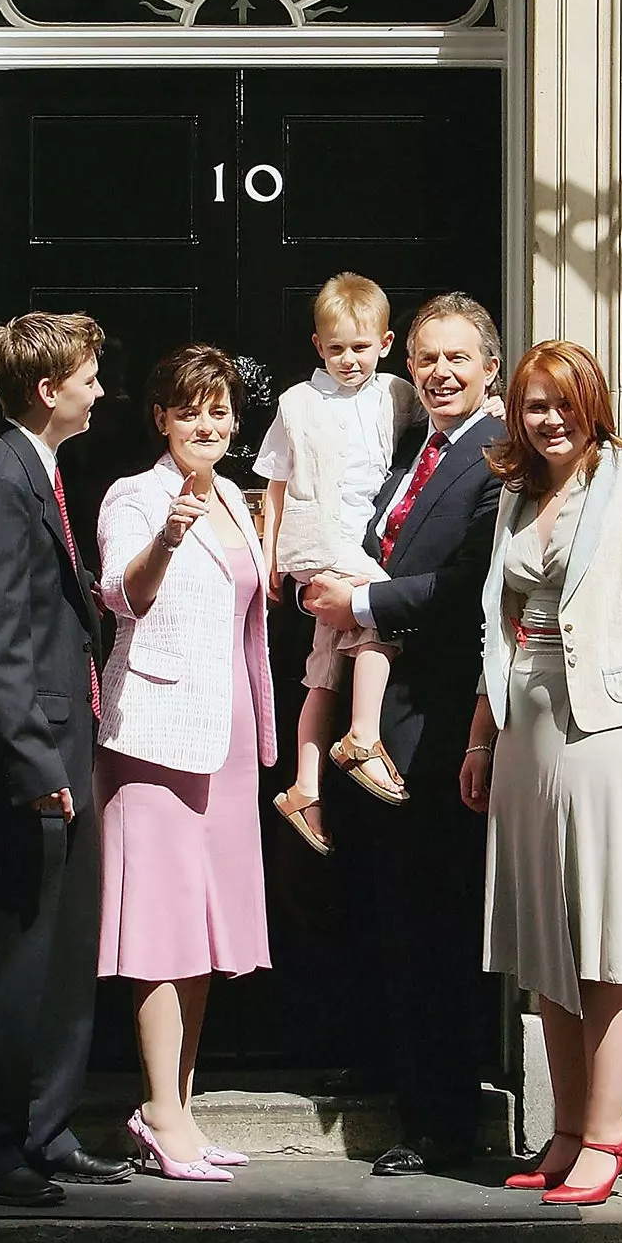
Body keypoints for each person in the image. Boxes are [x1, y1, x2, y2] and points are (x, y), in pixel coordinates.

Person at [462, 341, 622, 1206]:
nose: (548, 419)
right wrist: (480, 739)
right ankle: (570, 1126)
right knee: (548, 942)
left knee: (609, 935)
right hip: (525, 727)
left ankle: (611, 1131)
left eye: (563, 402)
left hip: (609, 728)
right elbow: (498, 632)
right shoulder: (514, 496)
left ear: (593, 403)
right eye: (534, 405)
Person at [302, 292, 505, 1176]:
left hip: (437, 716)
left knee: (435, 922)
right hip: (386, 720)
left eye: (458, 358)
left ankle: (443, 1122)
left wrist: (366, 603)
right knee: (393, 911)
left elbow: (468, 587)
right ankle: (402, 1078)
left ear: (491, 367)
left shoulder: (494, 460)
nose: (441, 373)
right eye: (426, 359)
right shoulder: (420, 449)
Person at [0, 312, 131, 1206]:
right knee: (6, 960)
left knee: (58, 958)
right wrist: (33, 764)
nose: (100, 390)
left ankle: (44, 1131)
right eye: (89, 377)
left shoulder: (39, 468)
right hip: (29, 766)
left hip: (64, 747)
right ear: (49, 390)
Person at [95, 345, 276, 1182]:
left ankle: (181, 1112)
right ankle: (160, 1112)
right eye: (190, 411)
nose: (207, 425)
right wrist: (166, 539)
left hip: (230, 740)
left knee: (204, 936)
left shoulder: (239, 501)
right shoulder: (135, 497)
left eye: (220, 411)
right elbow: (122, 597)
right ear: (161, 419)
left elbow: (251, 615)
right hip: (158, 737)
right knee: (163, 935)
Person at [255, 272, 423, 853]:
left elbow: (436, 428)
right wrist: (268, 559)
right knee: (381, 612)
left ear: (385, 341)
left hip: (364, 539)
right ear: (317, 348)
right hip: (322, 543)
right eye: (335, 349)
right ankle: (362, 735)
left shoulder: (397, 394)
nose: (348, 360)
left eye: (360, 347)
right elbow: (274, 486)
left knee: (323, 667)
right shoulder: (297, 404)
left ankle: (304, 786)